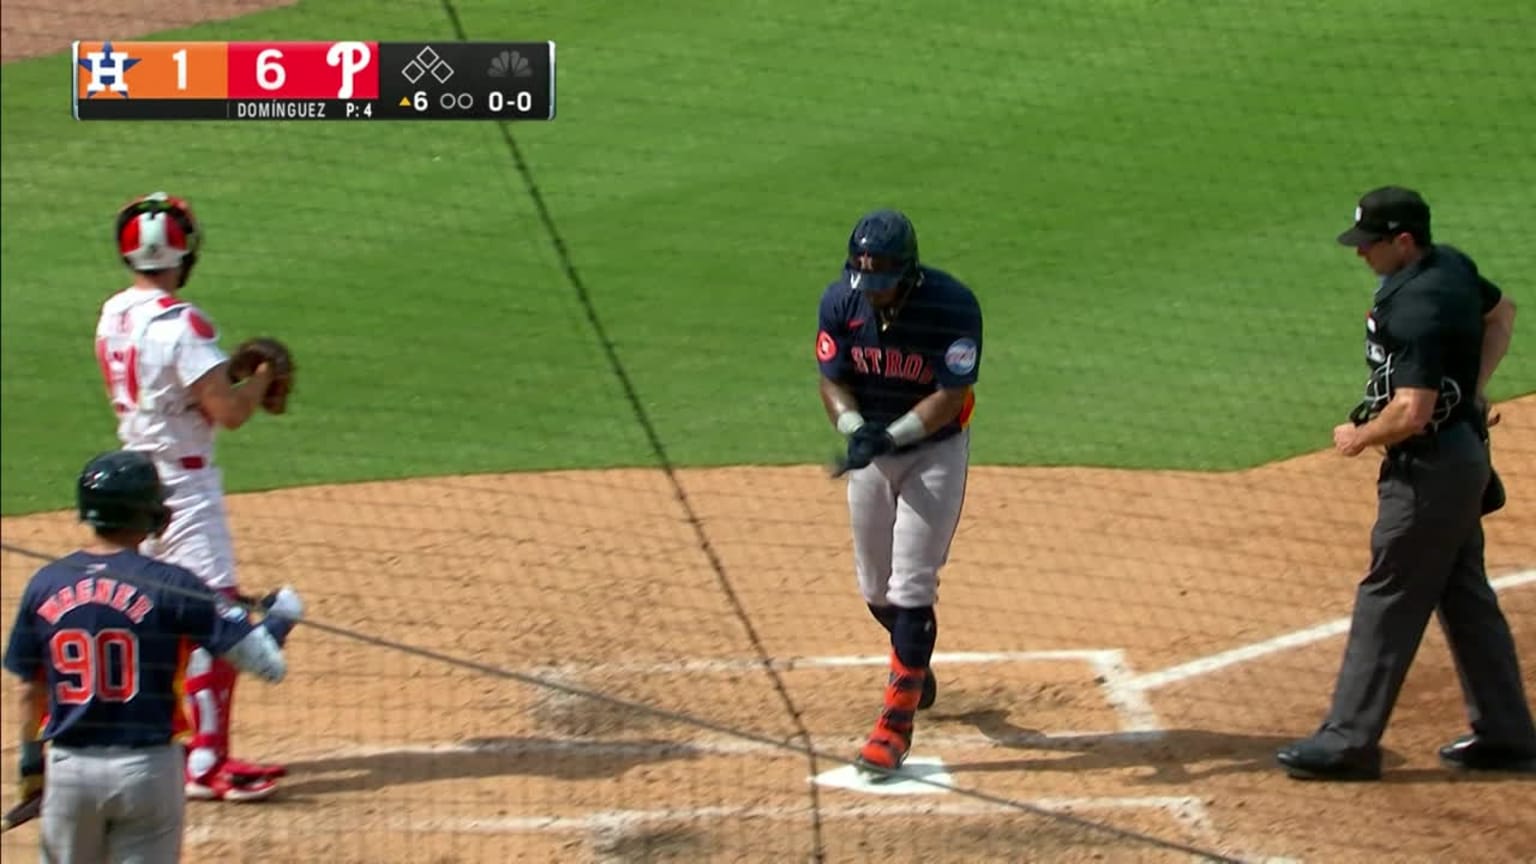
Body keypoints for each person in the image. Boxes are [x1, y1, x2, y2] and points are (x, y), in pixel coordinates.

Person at [1276, 186, 1536, 780]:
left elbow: (1412, 411)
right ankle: (1507, 734)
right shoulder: (1451, 265)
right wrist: (1472, 390)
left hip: (1430, 472)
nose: (1360, 254)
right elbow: (1503, 314)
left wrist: (1360, 437)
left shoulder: (1416, 305)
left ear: (1403, 241)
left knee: (1387, 596)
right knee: (1464, 594)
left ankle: (1346, 743)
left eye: (1370, 244)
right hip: (1463, 456)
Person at [3, 450, 303, 862]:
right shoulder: (174, 584)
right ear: (151, 513)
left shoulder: (45, 583)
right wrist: (283, 617)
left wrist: (32, 771)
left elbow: (27, 690)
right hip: (146, 773)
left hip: (68, 772)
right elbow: (268, 664)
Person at [92, 192, 286, 800]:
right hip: (184, 483)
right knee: (216, 615)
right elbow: (226, 412)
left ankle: (170, 744)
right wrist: (259, 379)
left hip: (137, 478)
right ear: (187, 251)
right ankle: (206, 762)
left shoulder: (113, 314)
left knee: (164, 613)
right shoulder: (182, 324)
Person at [815, 209, 983, 777]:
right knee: (875, 591)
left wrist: (892, 433)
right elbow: (832, 378)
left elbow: (951, 393)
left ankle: (894, 726)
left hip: (933, 452)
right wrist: (853, 429)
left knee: (911, 585)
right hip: (874, 456)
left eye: (884, 283)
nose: (875, 295)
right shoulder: (841, 302)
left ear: (907, 274)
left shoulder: (951, 306)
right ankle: (912, 658)